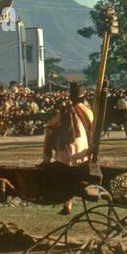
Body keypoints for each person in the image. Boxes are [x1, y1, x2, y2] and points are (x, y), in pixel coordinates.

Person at [42, 82, 94, 216]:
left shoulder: (65, 111)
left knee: (50, 133)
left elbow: (51, 126)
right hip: (85, 153)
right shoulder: (89, 112)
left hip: (68, 153)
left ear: (71, 97)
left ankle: (46, 159)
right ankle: (68, 203)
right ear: (83, 97)